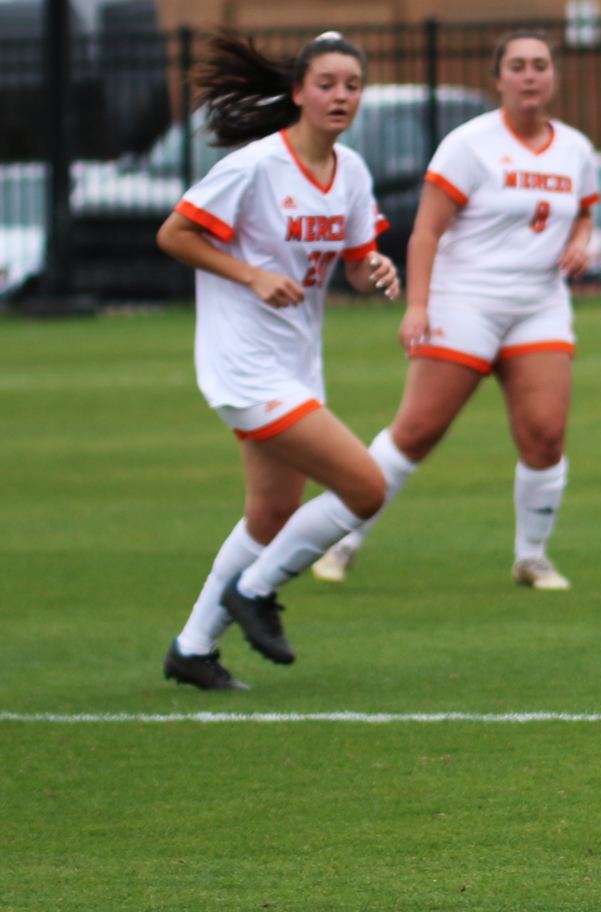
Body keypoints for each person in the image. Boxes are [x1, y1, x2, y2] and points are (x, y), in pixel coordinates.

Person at [311, 31, 598, 591]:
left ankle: (531, 557)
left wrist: (583, 240)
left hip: (539, 303)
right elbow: (425, 233)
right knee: (417, 432)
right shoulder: (470, 144)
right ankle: (342, 538)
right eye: (518, 66)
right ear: (499, 79)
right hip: (465, 299)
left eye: (540, 65)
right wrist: (418, 306)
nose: (530, 75)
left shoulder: (576, 148)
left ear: (553, 76)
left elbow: (584, 211)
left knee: (545, 436)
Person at [158, 31, 401, 690]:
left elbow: (351, 265)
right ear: (298, 91)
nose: (341, 96)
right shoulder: (257, 165)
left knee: (270, 514)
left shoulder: (349, 170)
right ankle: (257, 589)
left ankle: (192, 649)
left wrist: (372, 265)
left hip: (294, 366)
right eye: (327, 83)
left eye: (352, 85)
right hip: (244, 364)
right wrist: (249, 275)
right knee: (366, 486)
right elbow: (174, 234)